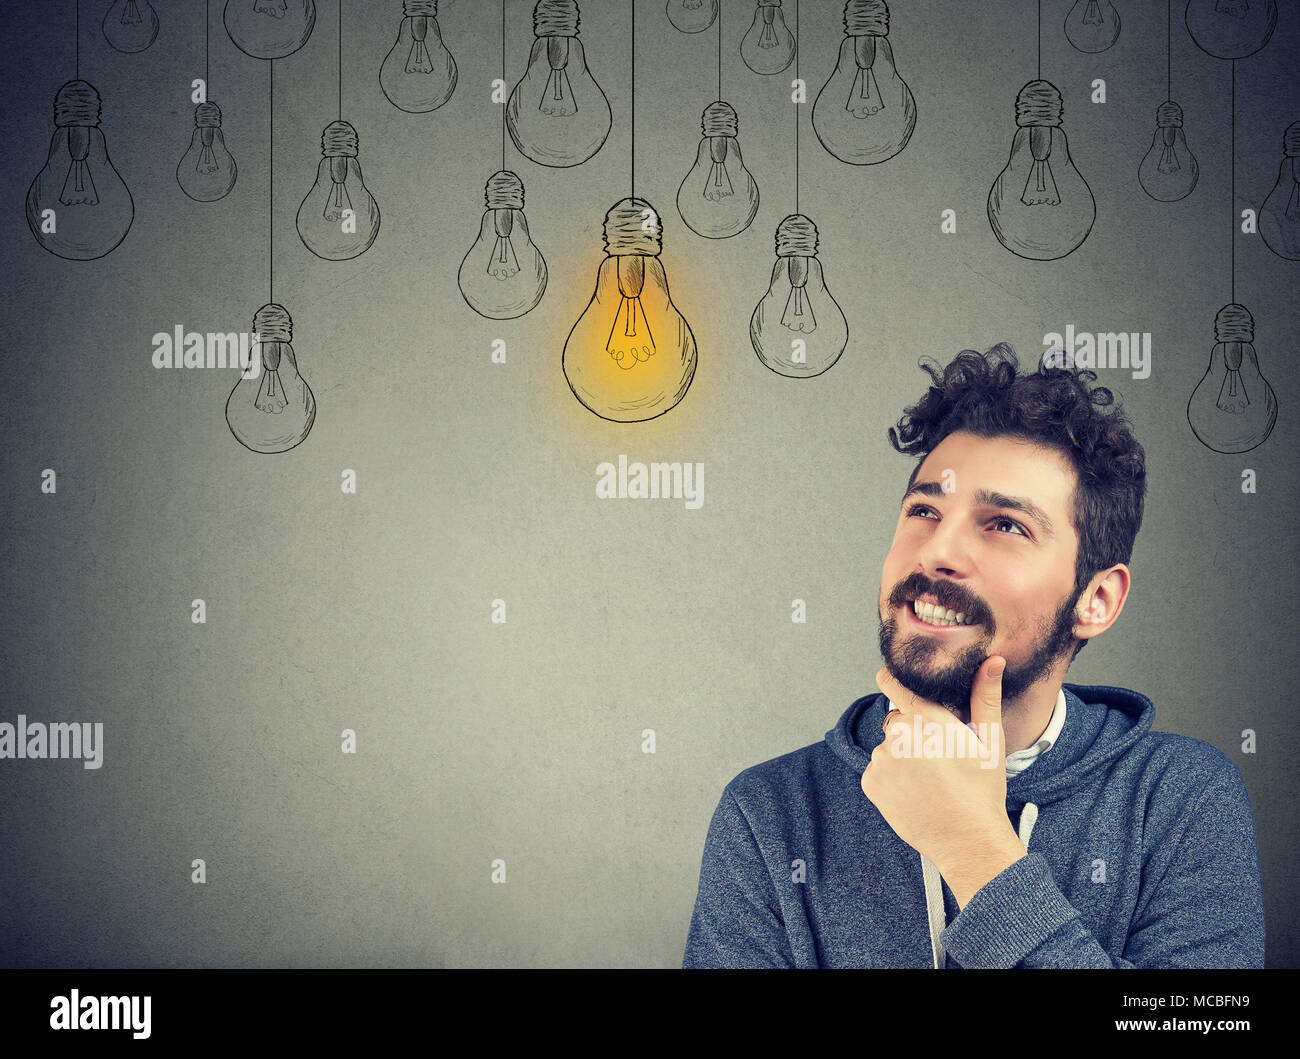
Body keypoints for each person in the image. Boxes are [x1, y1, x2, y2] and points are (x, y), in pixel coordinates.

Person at [682, 344, 1265, 968]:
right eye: (925, 511)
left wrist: (976, 851)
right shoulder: (769, 813)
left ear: (1095, 599)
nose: (937, 552)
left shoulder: (1181, 797)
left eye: (1004, 525)